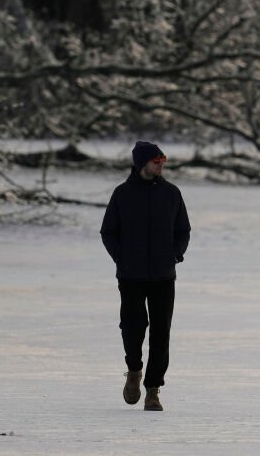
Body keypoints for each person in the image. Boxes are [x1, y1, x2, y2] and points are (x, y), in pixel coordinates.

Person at [100, 141, 191, 411]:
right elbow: (108, 232)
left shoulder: (172, 193)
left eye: (162, 161)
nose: (160, 166)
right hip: (131, 276)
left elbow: (183, 230)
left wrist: (175, 254)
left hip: (163, 275)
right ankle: (134, 371)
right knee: (132, 326)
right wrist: (122, 258)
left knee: (161, 333)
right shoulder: (122, 194)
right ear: (142, 164)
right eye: (155, 162)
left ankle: (153, 389)